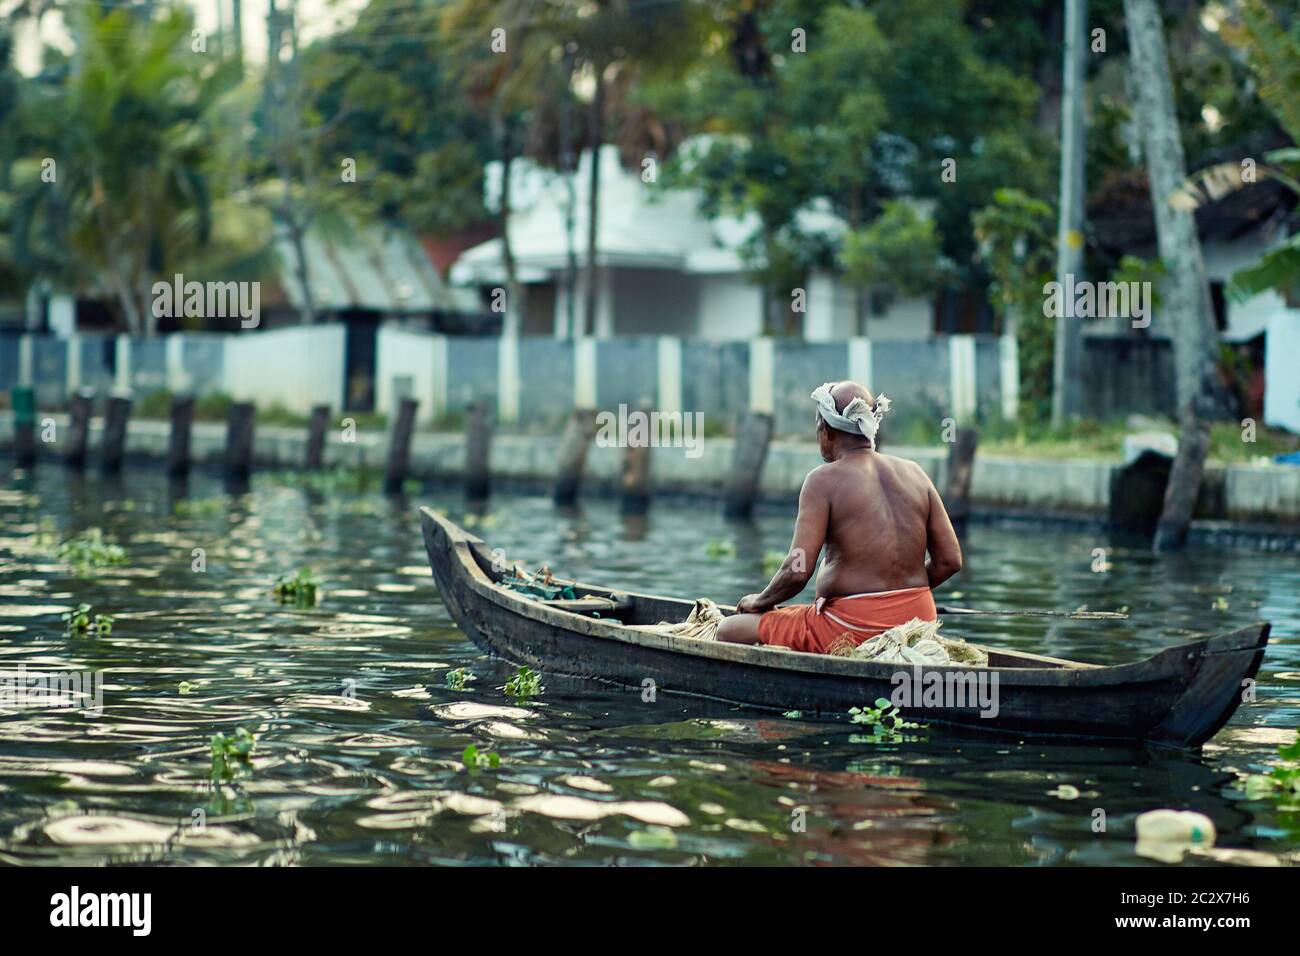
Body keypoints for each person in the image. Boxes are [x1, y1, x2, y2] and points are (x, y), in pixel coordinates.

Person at [716, 381, 963, 654]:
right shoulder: (915, 473)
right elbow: (950, 560)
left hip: (851, 627)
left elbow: (798, 569)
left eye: (817, 426)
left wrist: (760, 601)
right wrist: (901, 595)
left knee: (729, 629)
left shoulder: (822, 481)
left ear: (828, 430)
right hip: (919, 618)